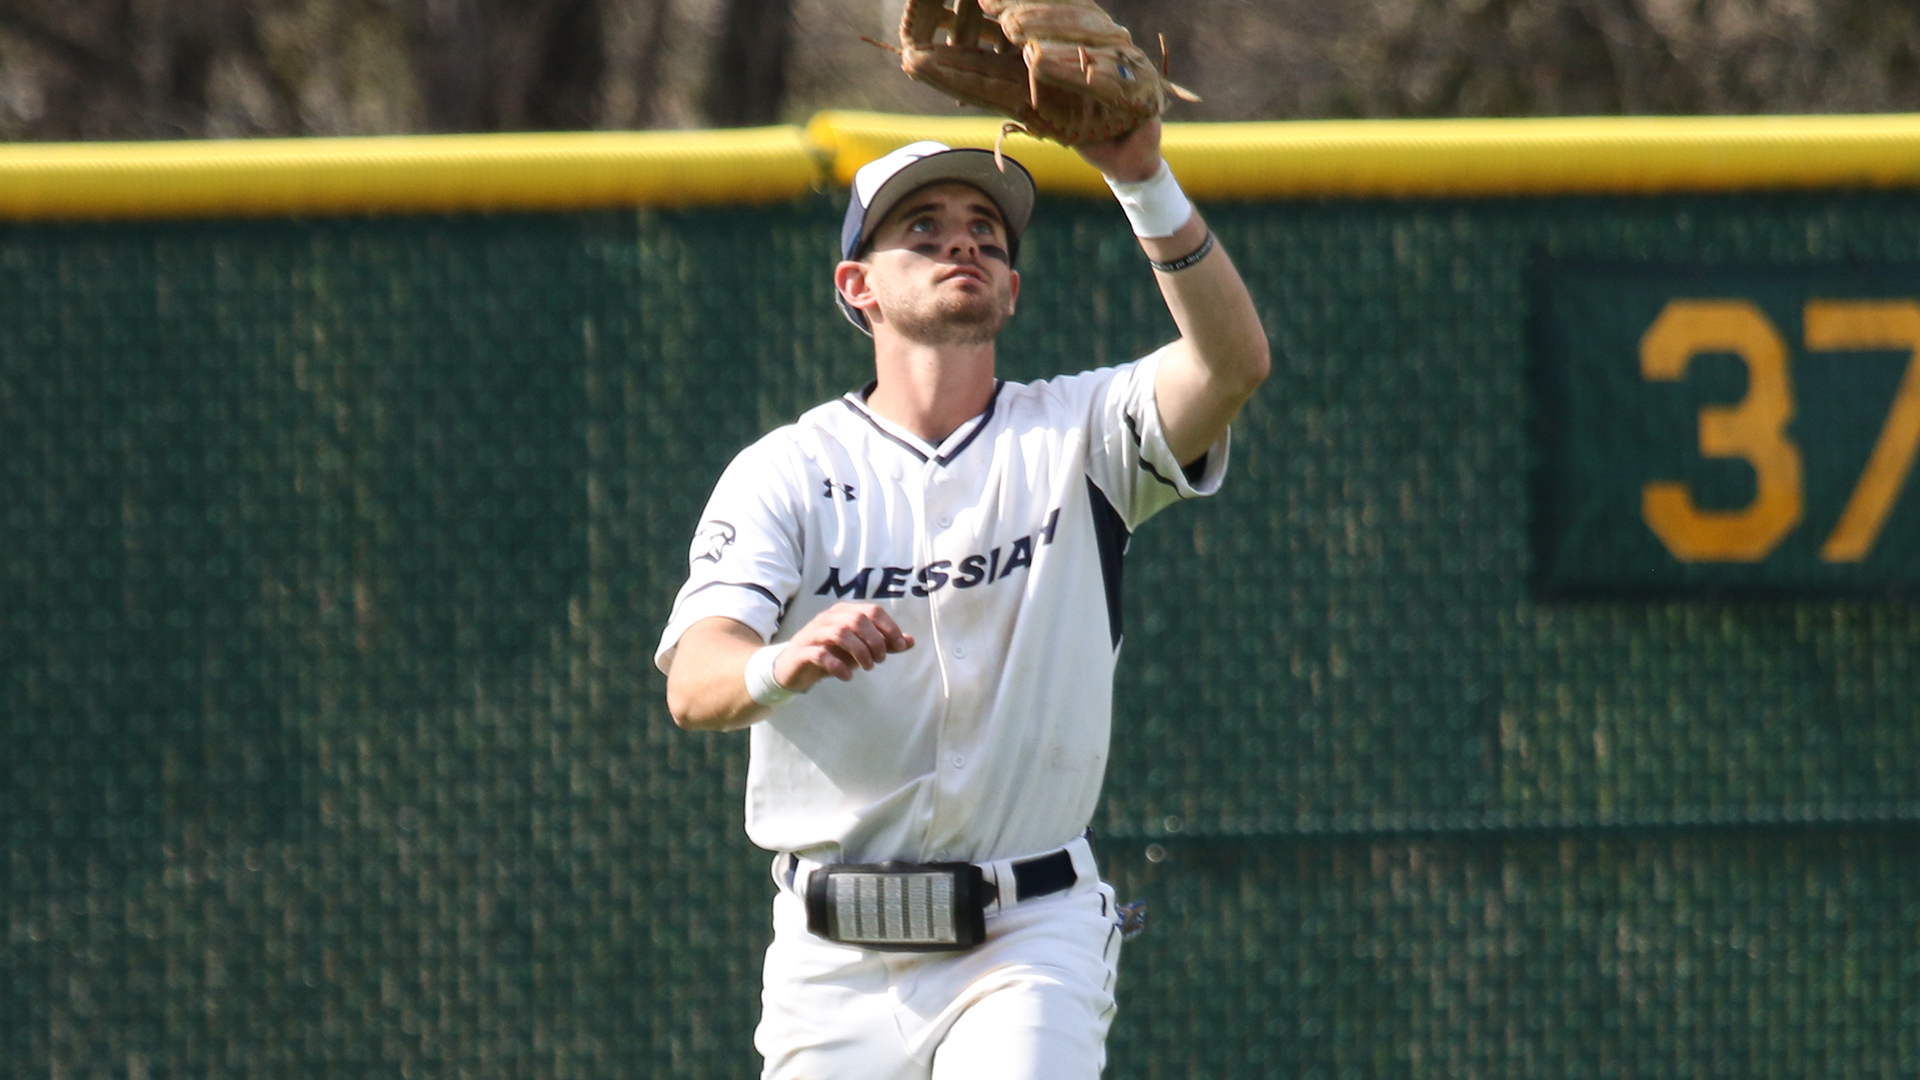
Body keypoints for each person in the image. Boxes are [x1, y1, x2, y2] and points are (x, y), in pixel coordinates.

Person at [656, 119, 1268, 1079]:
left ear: (1012, 290)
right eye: (924, 227)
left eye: (987, 229)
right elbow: (695, 683)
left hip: (1027, 939)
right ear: (857, 287)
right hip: (831, 961)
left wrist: (1143, 178)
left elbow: (1233, 365)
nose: (965, 241)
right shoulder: (787, 472)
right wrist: (783, 660)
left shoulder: (1081, 435)